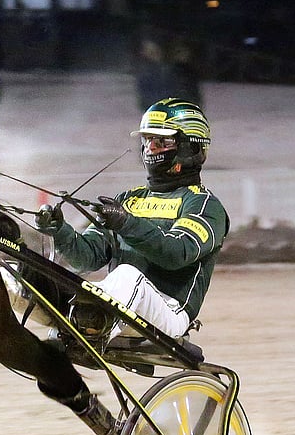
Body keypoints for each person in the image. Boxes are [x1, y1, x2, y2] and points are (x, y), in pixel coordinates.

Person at [35, 97, 229, 345]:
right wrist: (60, 231)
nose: (150, 149)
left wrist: (127, 224)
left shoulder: (205, 206)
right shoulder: (129, 199)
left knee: (127, 275)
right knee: (46, 272)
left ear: (189, 147)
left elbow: (175, 253)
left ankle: (86, 329)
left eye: (161, 142)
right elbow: (87, 257)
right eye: (147, 141)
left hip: (169, 313)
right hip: (124, 307)